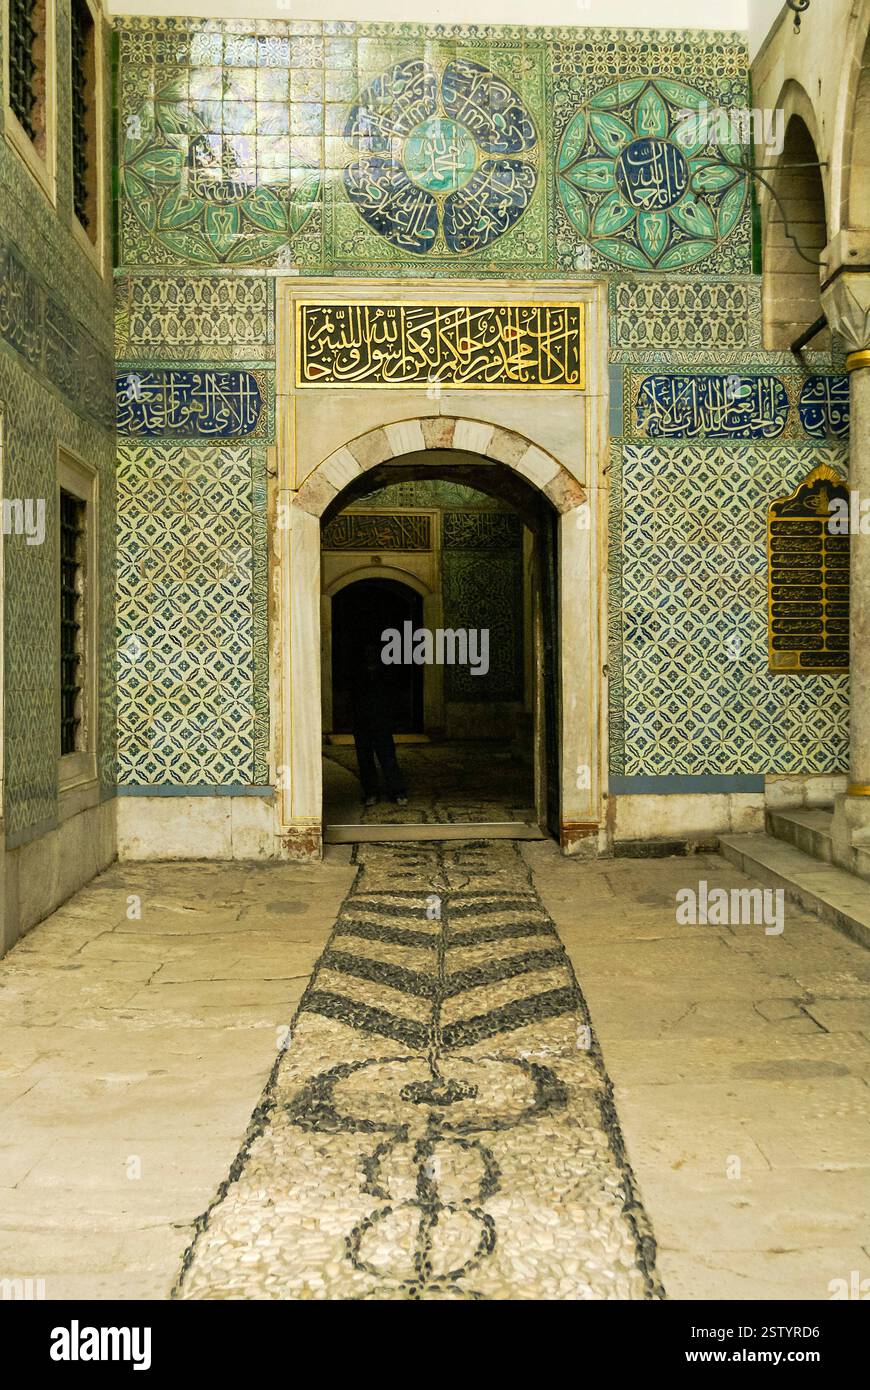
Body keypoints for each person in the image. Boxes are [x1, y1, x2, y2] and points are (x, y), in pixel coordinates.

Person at [350, 640, 408, 807]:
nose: (370, 655)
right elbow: (353, 698)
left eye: (372, 651)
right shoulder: (358, 674)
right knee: (365, 759)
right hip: (362, 722)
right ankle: (371, 792)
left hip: (381, 722)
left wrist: (393, 719)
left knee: (388, 758)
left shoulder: (386, 673)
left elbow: (394, 697)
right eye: (367, 652)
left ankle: (397, 791)